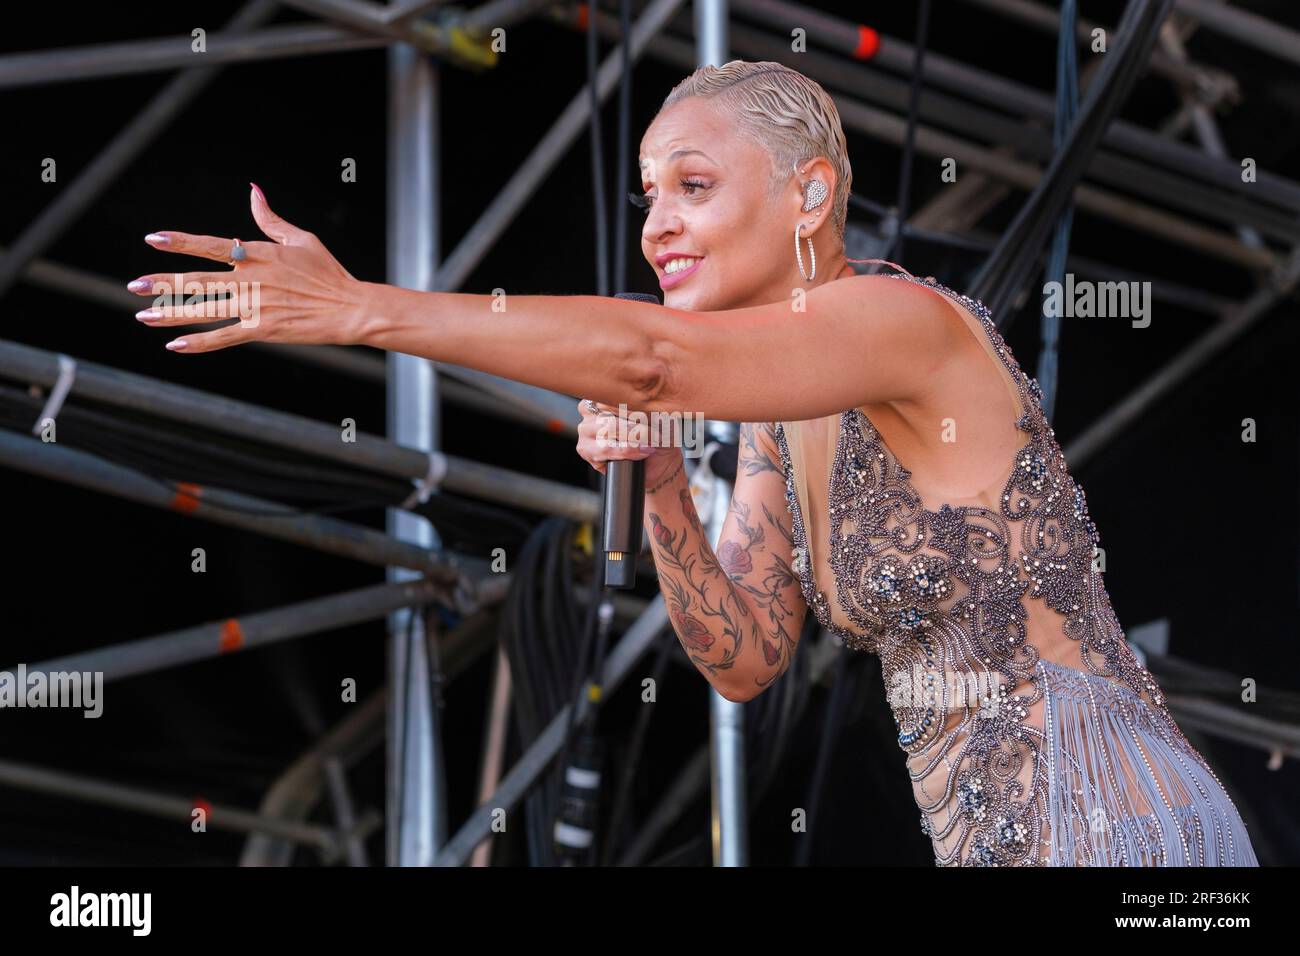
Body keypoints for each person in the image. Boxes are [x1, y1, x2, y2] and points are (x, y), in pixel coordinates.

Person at [126, 60, 1258, 867]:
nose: (656, 224)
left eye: (695, 187)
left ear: (809, 192)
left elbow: (654, 357)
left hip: (1112, 819)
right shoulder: (778, 420)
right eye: (649, 194)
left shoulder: (898, 321)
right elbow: (744, 656)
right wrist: (663, 481)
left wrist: (365, 310)